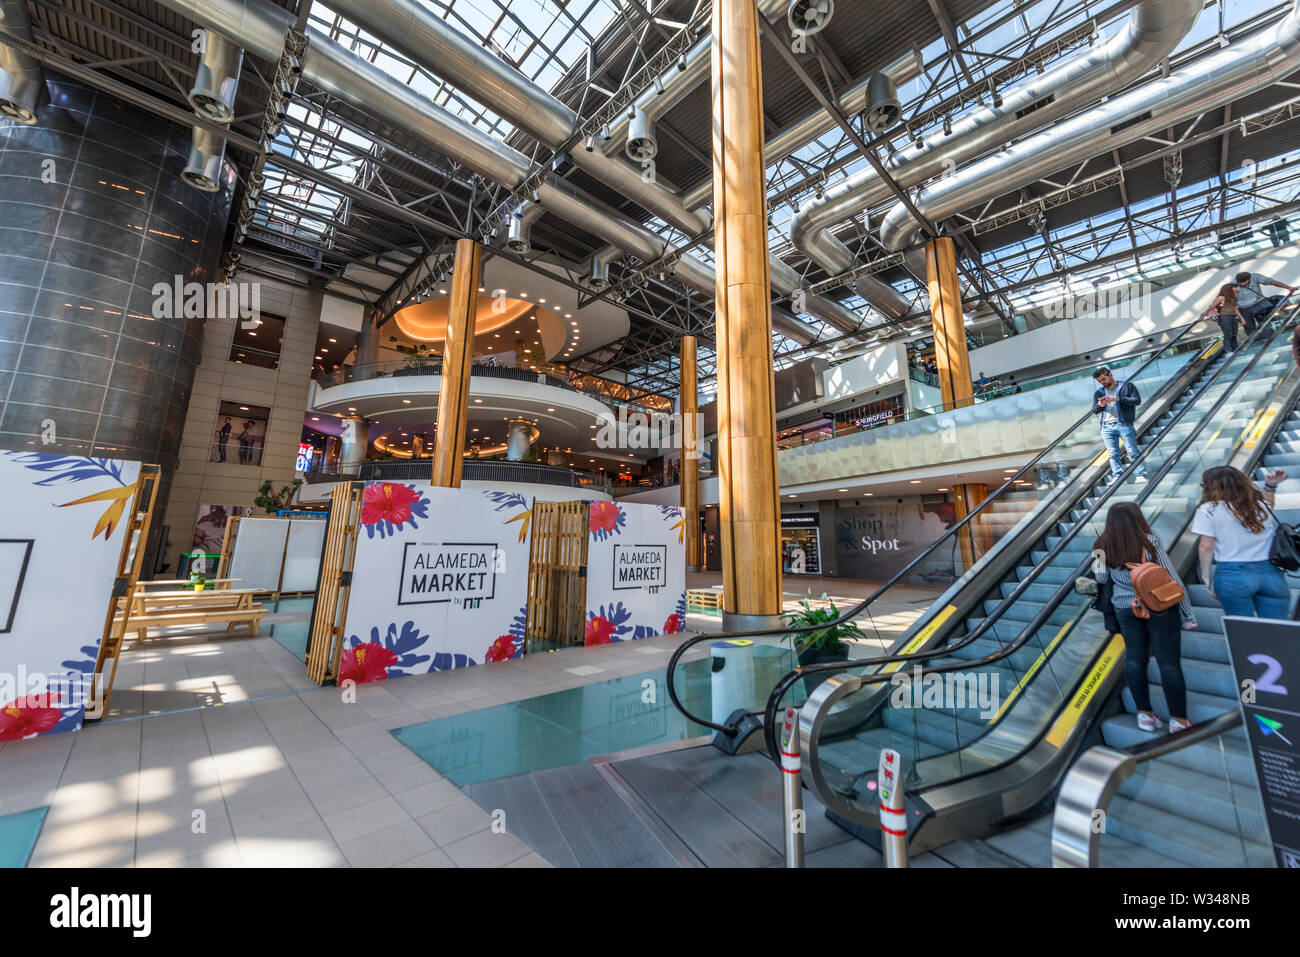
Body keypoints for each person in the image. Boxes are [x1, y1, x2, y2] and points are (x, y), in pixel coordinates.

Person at [1093, 502, 1196, 733]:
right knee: (1168, 662)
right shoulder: (1150, 541)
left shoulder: (1101, 545)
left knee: (1134, 659)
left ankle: (1145, 716)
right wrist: (1187, 612)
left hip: (1124, 608)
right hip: (1158, 605)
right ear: (1136, 517)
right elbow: (1171, 577)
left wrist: (1102, 560)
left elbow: (1100, 579)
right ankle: (1178, 720)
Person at [1193, 465, 1291, 619]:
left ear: (1211, 487)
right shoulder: (1260, 505)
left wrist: (1207, 578)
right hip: (1271, 573)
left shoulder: (1208, 510)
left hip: (1233, 574)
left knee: (1242, 632)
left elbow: (1206, 546)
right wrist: (1271, 486)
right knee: (1278, 631)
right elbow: (1269, 503)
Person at [1092, 367, 1147, 485]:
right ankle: (1117, 475)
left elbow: (1136, 401)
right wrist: (1100, 405)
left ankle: (1140, 474)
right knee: (1112, 453)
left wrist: (1117, 399)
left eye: (1103, 379)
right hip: (1106, 426)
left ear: (1110, 374)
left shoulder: (1127, 386)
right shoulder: (1099, 392)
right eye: (1100, 381)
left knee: (1132, 450)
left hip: (1124, 424)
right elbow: (1095, 410)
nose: (1102, 382)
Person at [1200, 283, 1247, 351]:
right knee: (1228, 334)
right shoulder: (1221, 298)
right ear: (1229, 289)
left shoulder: (1232, 298)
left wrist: (1242, 319)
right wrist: (1202, 317)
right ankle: (1228, 350)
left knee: (1234, 334)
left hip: (1232, 316)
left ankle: (1235, 349)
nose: (1236, 289)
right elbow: (1211, 307)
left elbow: (1235, 309)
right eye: (1234, 287)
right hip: (1224, 317)